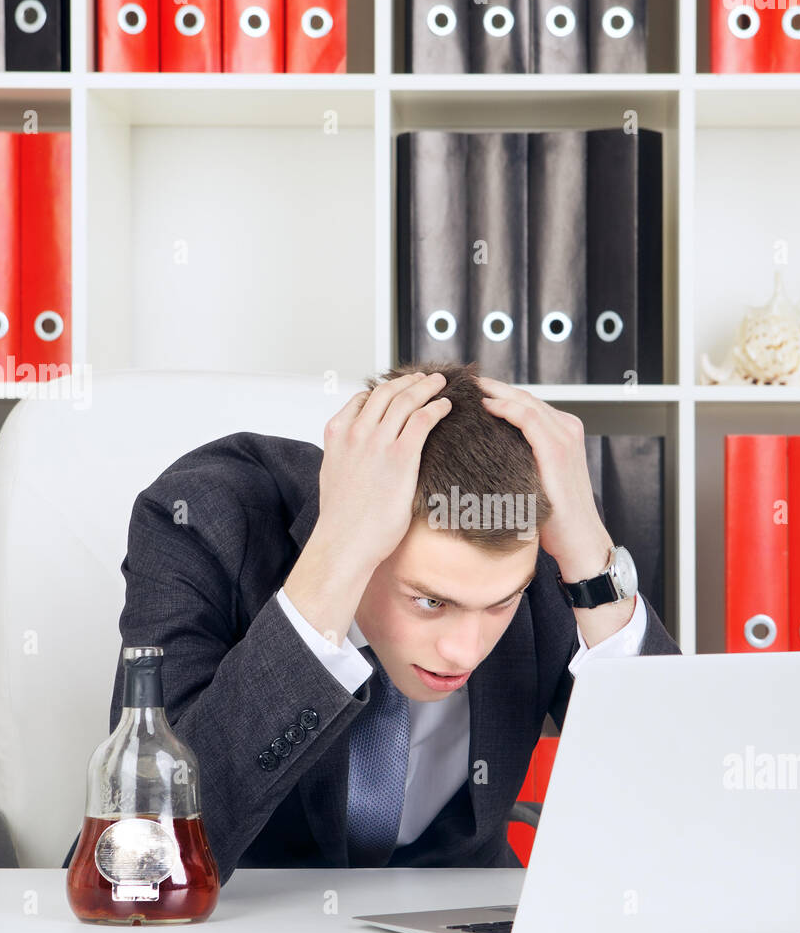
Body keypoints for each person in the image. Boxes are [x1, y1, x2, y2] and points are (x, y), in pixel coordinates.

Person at [63, 363, 680, 883]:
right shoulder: (203, 517)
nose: (465, 652)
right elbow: (137, 856)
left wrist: (592, 562)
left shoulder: (548, 549)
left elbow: (679, 804)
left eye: (499, 604)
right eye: (430, 602)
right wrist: (334, 562)